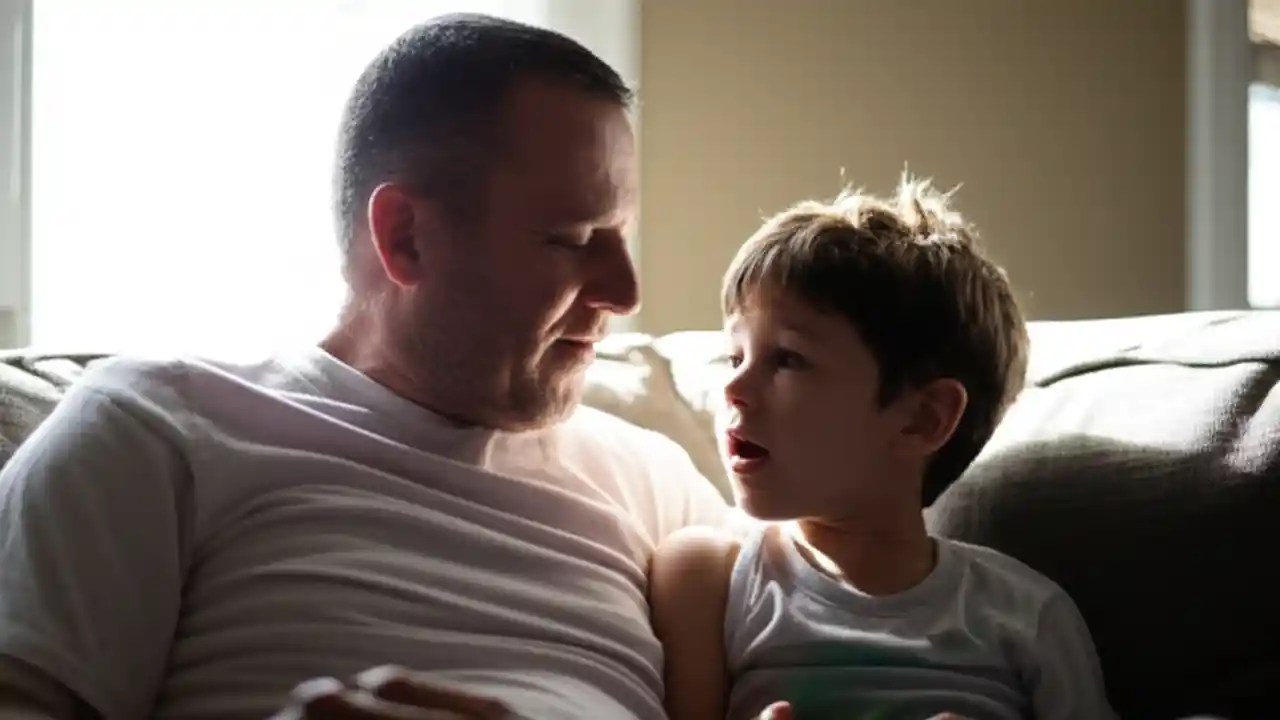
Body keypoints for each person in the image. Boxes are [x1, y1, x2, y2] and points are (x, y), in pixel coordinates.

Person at [0, 13, 731, 720]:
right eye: (571, 239)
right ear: (405, 237)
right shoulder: (156, 425)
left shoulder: (657, 488)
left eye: (621, 236)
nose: (626, 292)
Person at [650, 178, 1119, 720]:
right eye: (734, 358)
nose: (733, 389)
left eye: (787, 359)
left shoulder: (1024, 614)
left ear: (922, 419)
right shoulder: (708, 579)